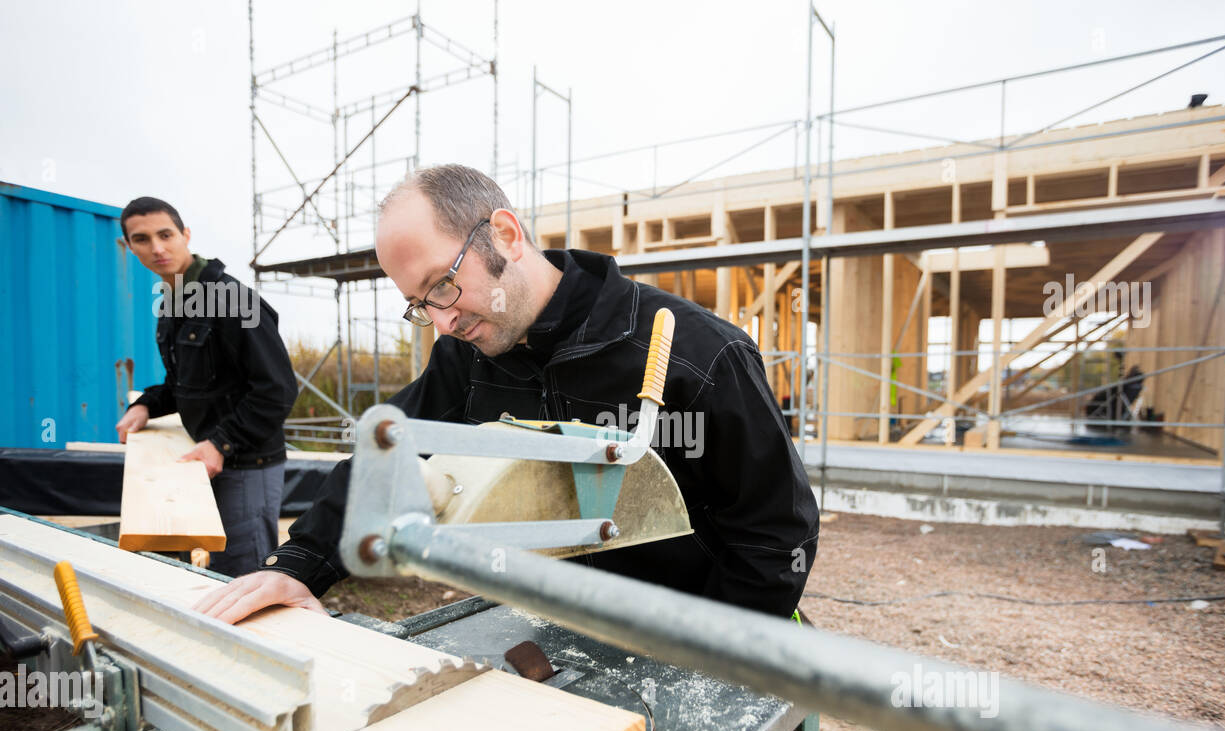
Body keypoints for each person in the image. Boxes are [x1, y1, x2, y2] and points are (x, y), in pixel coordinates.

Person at [194, 165, 819, 624]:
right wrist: (299, 563)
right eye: (420, 304)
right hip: (570, 626)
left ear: (506, 234)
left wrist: (709, 660)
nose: (441, 321)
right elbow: (390, 454)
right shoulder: (468, 359)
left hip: (712, 631)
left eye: (442, 285)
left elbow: (774, 535)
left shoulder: (697, 354)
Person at [114, 197, 298, 576]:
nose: (157, 248)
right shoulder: (172, 302)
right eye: (142, 239)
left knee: (242, 573)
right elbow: (182, 383)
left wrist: (221, 443)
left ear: (186, 235)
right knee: (210, 568)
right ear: (130, 247)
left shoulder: (232, 300)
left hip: (246, 463)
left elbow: (277, 389)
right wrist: (146, 404)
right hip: (203, 457)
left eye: (165, 234)